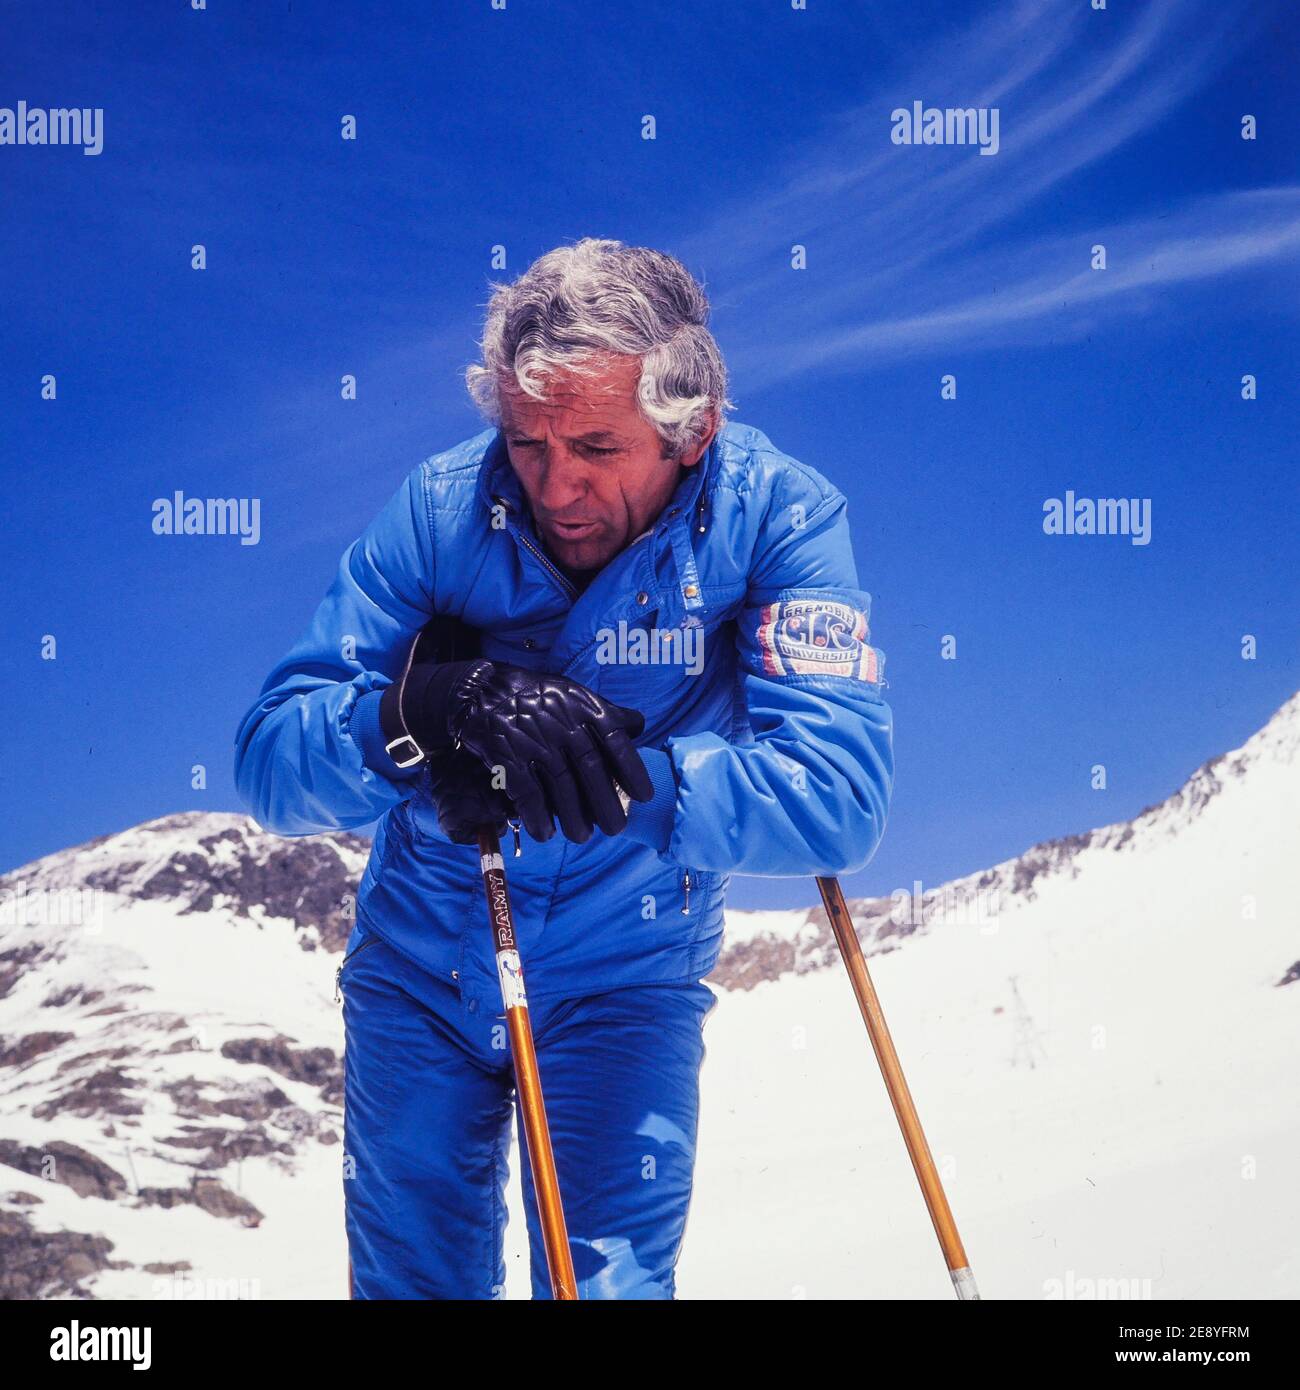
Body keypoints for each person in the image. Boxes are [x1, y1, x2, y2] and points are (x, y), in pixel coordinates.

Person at [234, 237, 894, 1299]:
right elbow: (271, 760)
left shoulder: (781, 513)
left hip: (625, 978)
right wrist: (417, 712)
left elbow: (836, 797)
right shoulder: (442, 508)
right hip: (420, 971)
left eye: (596, 444)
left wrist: (617, 769)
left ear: (694, 429)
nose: (554, 484)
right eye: (527, 443)